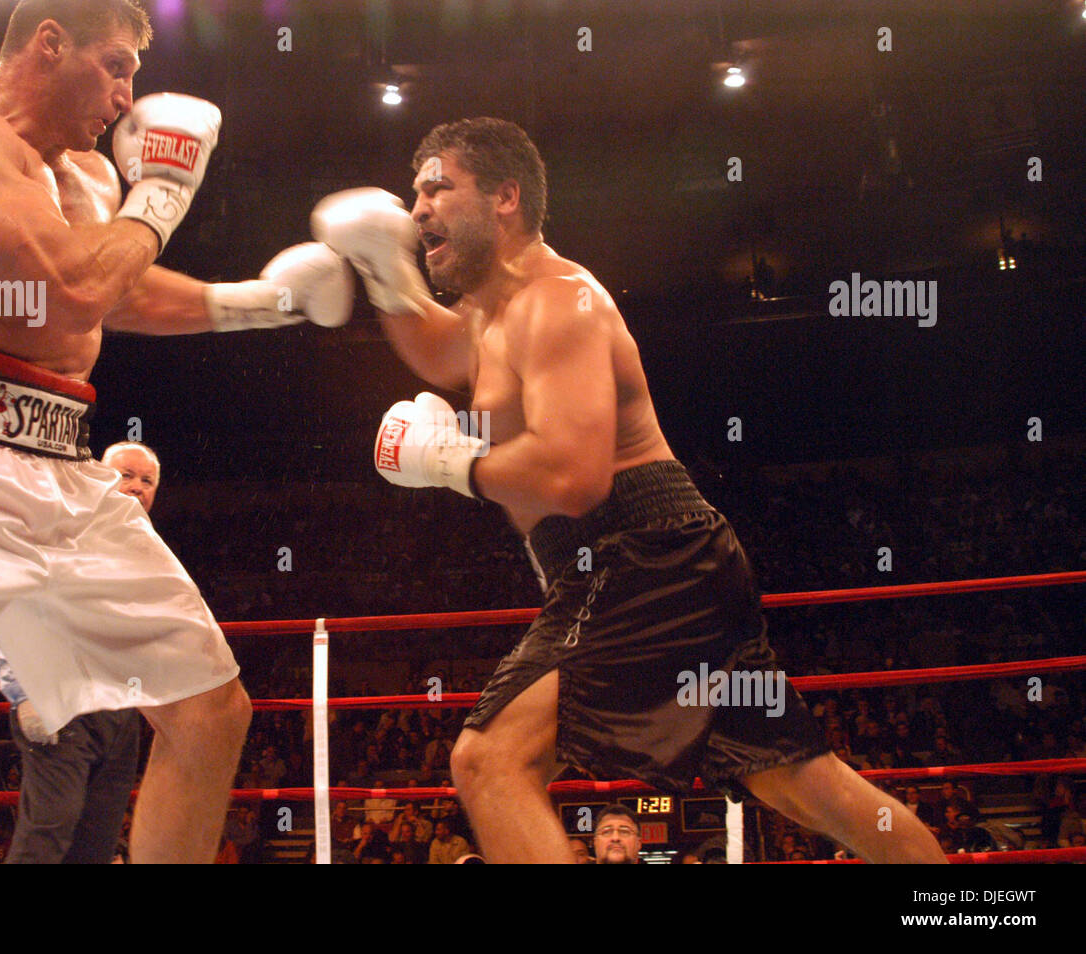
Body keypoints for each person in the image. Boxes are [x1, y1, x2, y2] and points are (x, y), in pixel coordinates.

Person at [0, 0, 353, 864]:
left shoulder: (89, 179)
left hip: (61, 463)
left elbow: (114, 290)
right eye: (118, 65)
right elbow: (61, 291)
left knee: (209, 712)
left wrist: (264, 302)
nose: (129, 97)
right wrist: (163, 196)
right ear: (49, 42)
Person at [311, 116, 947, 864]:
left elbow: (573, 476)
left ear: (506, 197)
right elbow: (440, 347)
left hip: (639, 553)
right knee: (809, 788)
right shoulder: (491, 308)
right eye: (415, 194)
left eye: (438, 188)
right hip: (653, 559)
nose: (416, 209)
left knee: (489, 762)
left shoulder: (559, 301)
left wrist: (448, 463)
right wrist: (386, 274)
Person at [0, 441, 162, 863]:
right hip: (59, 702)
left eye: (148, 481)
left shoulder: (148, 553)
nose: (138, 487)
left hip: (120, 715)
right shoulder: (59, 531)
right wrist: (23, 694)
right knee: (48, 833)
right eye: (126, 475)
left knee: (96, 842)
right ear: (97, 478)